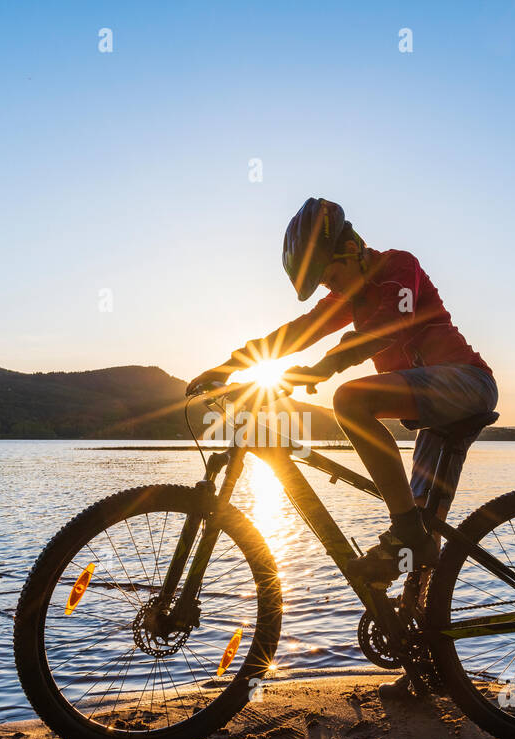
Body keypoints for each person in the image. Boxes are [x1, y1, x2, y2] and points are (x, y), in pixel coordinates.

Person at [188, 197, 497, 591]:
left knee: (350, 401)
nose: (329, 288)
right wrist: (229, 367)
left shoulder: (399, 266)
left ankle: (406, 535)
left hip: (468, 382)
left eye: (330, 277)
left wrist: (326, 367)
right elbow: (297, 332)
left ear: (351, 250)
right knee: (420, 533)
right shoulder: (350, 294)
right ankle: (419, 629)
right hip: (435, 419)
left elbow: (391, 324)